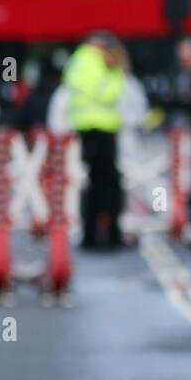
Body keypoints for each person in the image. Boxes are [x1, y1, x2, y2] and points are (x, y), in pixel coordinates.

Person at [64, 32, 125, 250]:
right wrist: (117, 72)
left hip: (92, 129)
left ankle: (95, 235)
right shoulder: (90, 62)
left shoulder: (79, 61)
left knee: (98, 184)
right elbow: (109, 94)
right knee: (105, 185)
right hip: (97, 129)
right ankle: (103, 236)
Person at [164, 37, 191, 224]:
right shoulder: (174, 73)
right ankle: (168, 210)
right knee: (170, 172)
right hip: (174, 130)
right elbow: (167, 98)